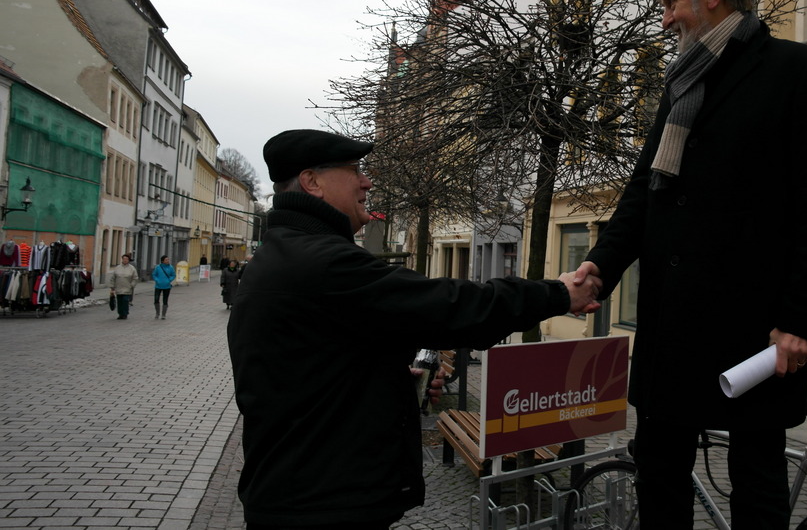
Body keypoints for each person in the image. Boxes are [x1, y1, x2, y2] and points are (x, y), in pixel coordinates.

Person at [573, 0, 807, 528]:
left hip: (753, 329)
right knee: (660, 479)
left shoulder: (798, 71)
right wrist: (600, 266)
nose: (665, 16)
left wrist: (804, 320)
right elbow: (642, 197)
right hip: (671, 330)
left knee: (756, 485)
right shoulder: (680, 83)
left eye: (670, 2)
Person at [226, 129, 601, 529]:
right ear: (311, 181)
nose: (367, 181)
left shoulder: (284, 253)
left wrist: (386, 380)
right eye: (354, 170)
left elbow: (308, 371)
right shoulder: (323, 263)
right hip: (321, 504)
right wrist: (557, 295)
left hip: (300, 491)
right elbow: (451, 306)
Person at [110, 254, 139, 320]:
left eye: (126, 259)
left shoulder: (132, 268)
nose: (125, 260)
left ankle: (125, 313)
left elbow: (135, 278)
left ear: (128, 260)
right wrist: (112, 286)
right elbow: (113, 277)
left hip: (127, 287)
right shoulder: (118, 268)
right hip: (119, 287)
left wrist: (132, 285)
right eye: (124, 259)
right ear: (122, 259)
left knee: (125, 301)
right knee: (119, 301)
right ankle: (120, 314)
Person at [152, 255, 175, 320]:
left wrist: (169, 280)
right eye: (166, 260)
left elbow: (173, 275)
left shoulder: (170, 267)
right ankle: (157, 313)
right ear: (162, 261)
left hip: (167, 286)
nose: (168, 261)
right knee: (156, 299)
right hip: (158, 286)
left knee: (165, 300)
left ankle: (163, 314)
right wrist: (157, 280)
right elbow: (154, 274)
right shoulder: (158, 267)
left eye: (168, 260)